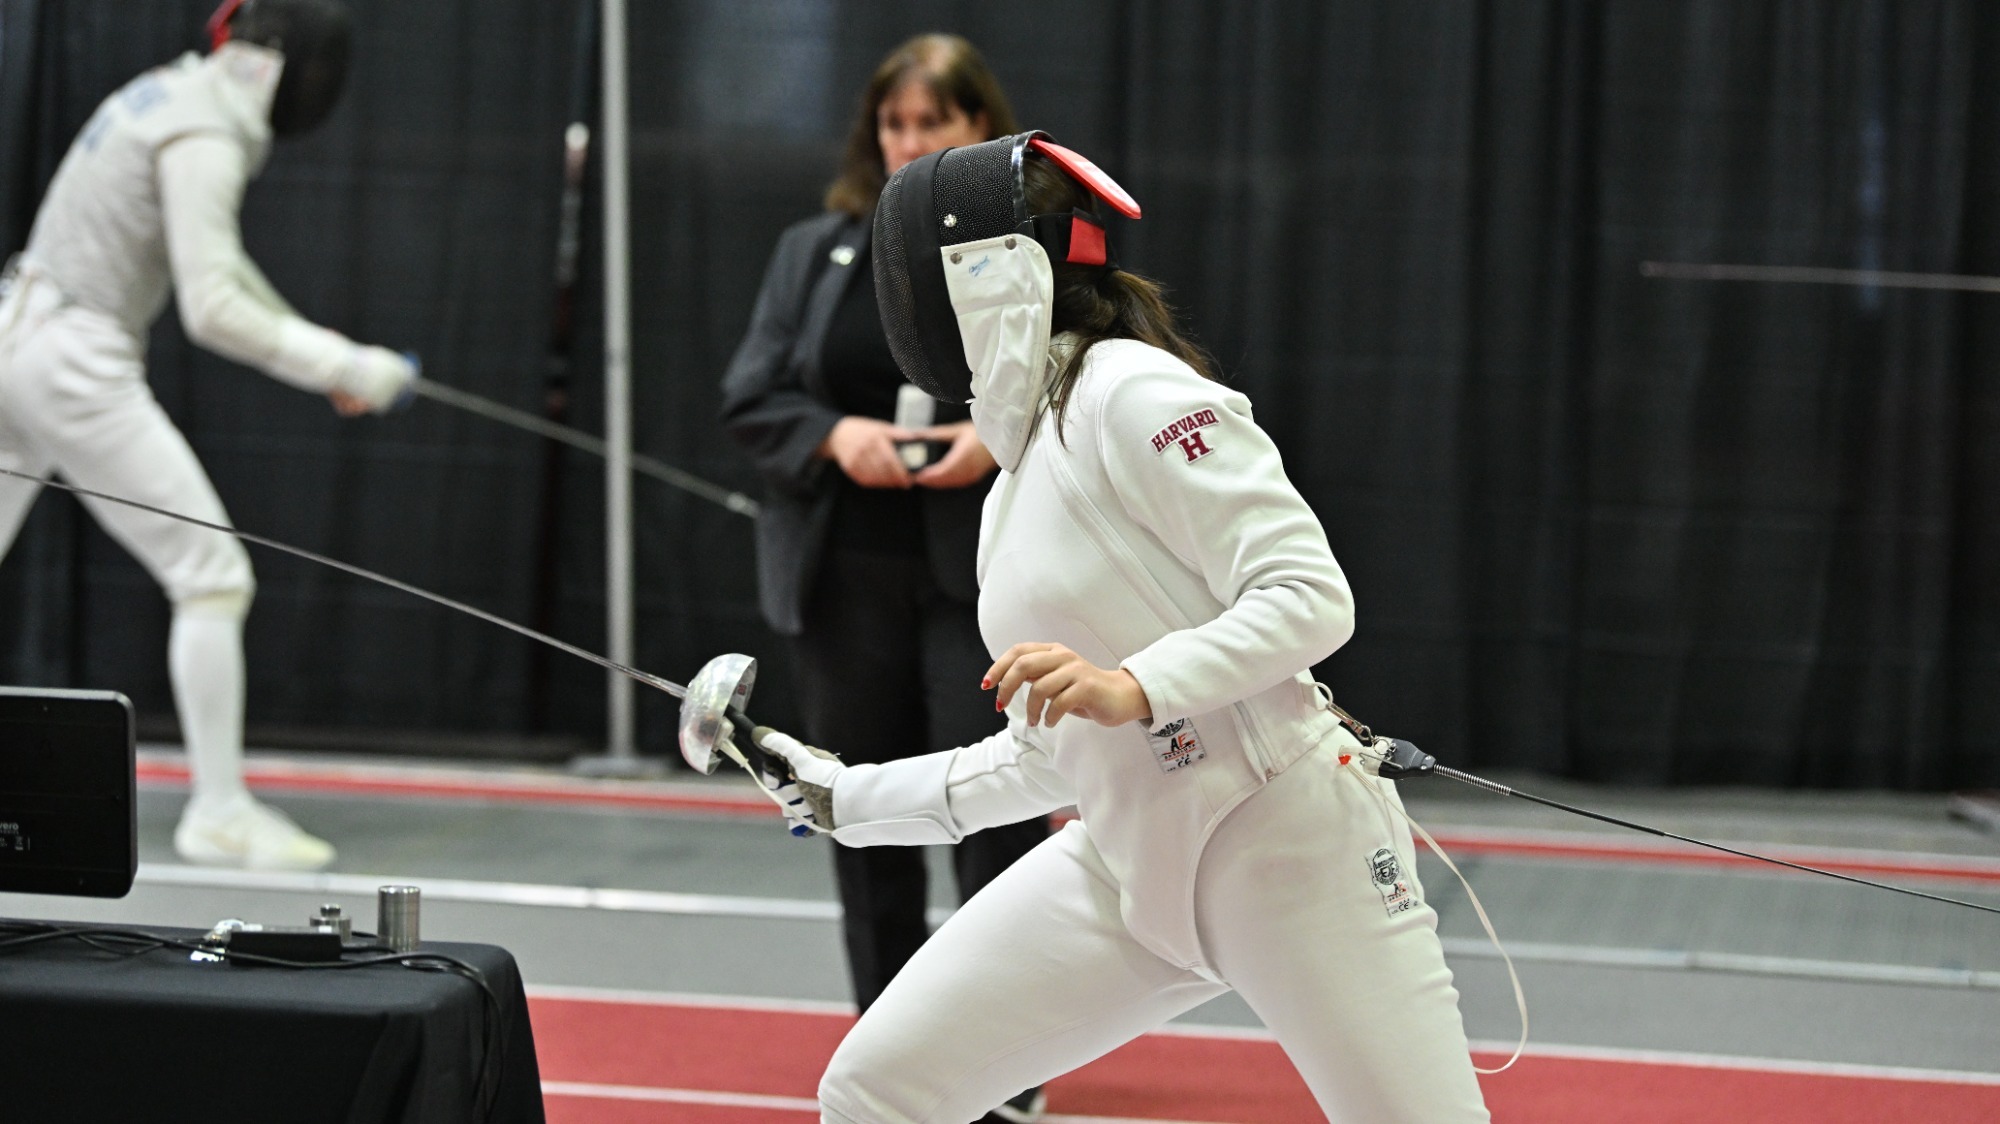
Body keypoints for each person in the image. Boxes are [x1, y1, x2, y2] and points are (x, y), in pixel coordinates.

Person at [755, 132, 1493, 1122]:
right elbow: (1043, 756)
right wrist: (842, 795)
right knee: (878, 1084)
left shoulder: (1133, 393)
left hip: (1285, 844)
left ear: (986, 277)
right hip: (1127, 858)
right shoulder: (1015, 477)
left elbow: (1306, 593)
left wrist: (1132, 683)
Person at [717, 34, 1050, 1124]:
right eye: (896, 124)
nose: (910, 142)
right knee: (854, 804)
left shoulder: (1025, 256)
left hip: (983, 576)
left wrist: (991, 439)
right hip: (844, 568)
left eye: (934, 124)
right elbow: (753, 392)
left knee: (998, 810)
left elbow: (1083, 388)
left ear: (975, 130)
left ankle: (1004, 1056)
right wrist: (833, 436)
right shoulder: (814, 249)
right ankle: (889, 1043)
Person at [0, 0, 413, 871]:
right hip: (74, 357)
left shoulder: (166, 94)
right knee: (213, 574)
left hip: (19, 333)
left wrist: (332, 359)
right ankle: (220, 809)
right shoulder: (208, 136)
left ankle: (223, 805)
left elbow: (223, 270)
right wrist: (342, 364)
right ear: (281, 66)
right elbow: (214, 307)